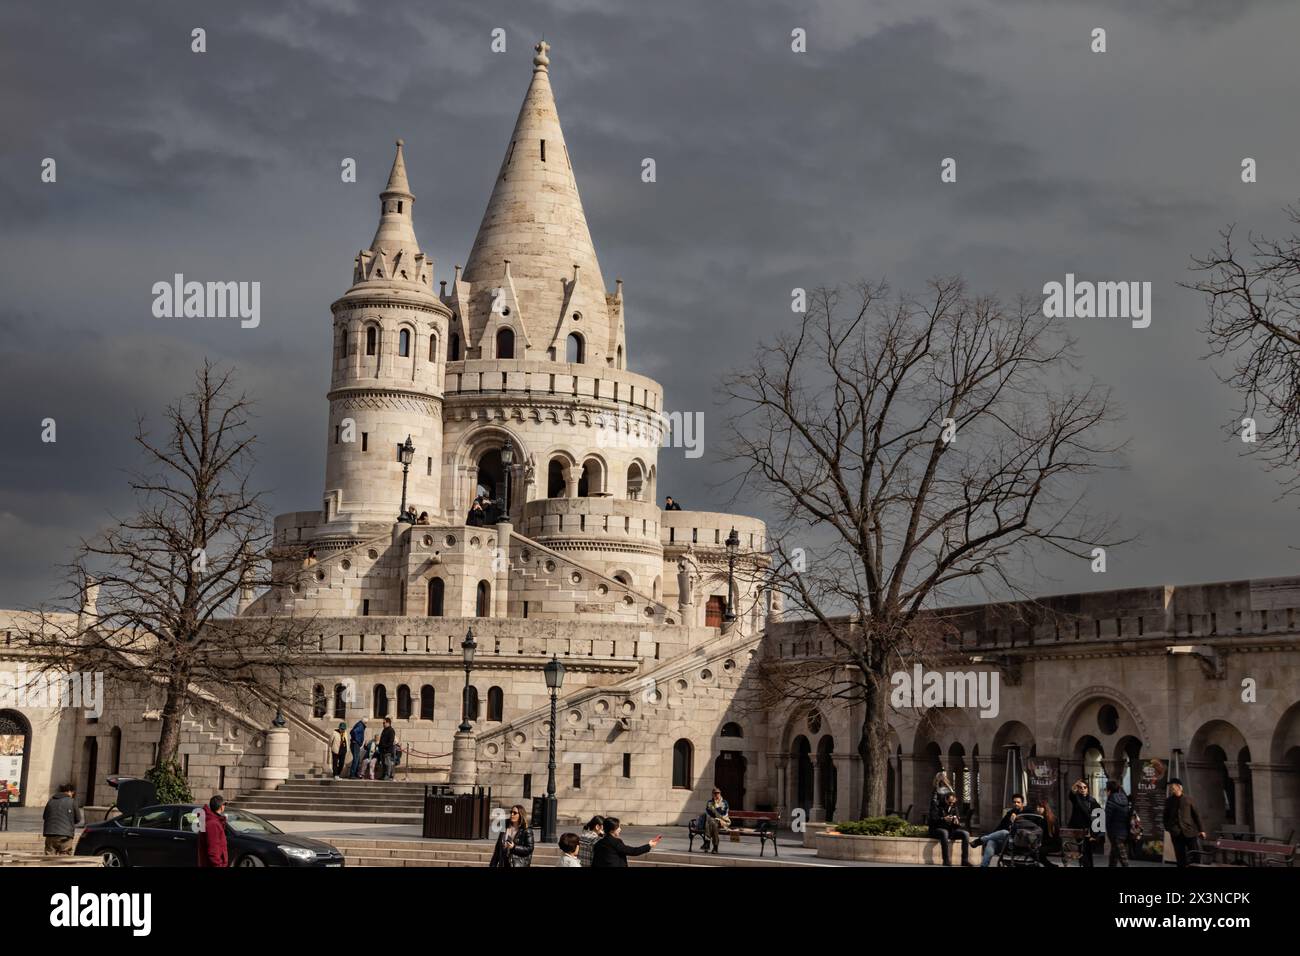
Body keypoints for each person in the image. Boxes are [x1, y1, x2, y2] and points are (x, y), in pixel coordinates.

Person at [926, 771, 973, 866]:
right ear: (945, 799)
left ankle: (964, 860)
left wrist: (956, 821)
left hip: (950, 830)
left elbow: (957, 822)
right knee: (944, 832)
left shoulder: (954, 807)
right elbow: (933, 818)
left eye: (953, 802)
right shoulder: (937, 807)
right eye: (950, 802)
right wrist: (944, 819)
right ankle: (946, 860)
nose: (952, 804)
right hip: (937, 829)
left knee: (965, 834)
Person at [973, 792, 1026, 867]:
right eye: (1014, 802)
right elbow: (999, 828)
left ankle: (981, 840)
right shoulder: (1009, 813)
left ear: (1022, 804)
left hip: (1021, 841)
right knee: (991, 841)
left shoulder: (1027, 813)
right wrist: (993, 836)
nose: (1016, 804)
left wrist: (1016, 819)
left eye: (1018, 802)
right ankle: (984, 865)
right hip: (1007, 843)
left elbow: (1027, 827)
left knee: (1005, 832)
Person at [1162, 778, 1205, 868]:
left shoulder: (1188, 799)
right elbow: (1165, 816)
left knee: (1195, 854)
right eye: (1170, 786)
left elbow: (1196, 815)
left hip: (1190, 831)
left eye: (1172, 786)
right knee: (1180, 856)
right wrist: (1169, 828)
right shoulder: (1169, 801)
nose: (1170, 788)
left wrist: (1202, 830)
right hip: (1176, 832)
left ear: (1179, 787)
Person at [592, 816, 661, 867]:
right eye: (618, 827)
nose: (620, 829)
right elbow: (633, 851)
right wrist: (649, 845)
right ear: (612, 830)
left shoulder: (598, 843)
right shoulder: (616, 842)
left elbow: (595, 861)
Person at [41, 783, 83, 855]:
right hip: (65, 835)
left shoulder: (50, 801)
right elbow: (78, 819)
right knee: (64, 858)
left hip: (50, 834)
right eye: (73, 793)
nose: (73, 794)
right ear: (70, 791)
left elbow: (45, 817)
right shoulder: (72, 801)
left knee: (49, 858)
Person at [1067, 779, 1100, 867]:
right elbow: (1071, 795)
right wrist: (1074, 786)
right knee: (1082, 849)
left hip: (1089, 828)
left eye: (1085, 787)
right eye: (1080, 787)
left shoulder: (1092, 800)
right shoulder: (1076, 798)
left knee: (1088, 850)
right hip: (1079, 828)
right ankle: (1084, 864)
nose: (1083, 789)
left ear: (1087, 788)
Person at [1104, 780, 1131, 867]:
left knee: (1124, 860)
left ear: (1109, 790)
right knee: (1113, 857)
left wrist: (1109, 833)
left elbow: (1107, 819)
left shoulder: (1111, 801)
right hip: (1124, 832)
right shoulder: (1125, 800)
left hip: (1115, 834)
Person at [197, 795, 229, 868]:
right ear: (221, 806)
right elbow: (213, 850)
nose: (225, 807)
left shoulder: (213, 821)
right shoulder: (213, 824)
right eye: (224, 804)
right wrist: (219, 865)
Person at [700, 787, 730, 854]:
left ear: (720, 794)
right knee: (713, 824)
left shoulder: (724, 803)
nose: (716, 795)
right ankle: (715, 847)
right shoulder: (709, 802)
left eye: (718, 793)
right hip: (713, 822)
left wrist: (716, 805)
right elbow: (709, 813)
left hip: (723, 822)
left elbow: (722, 814)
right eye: (715, 793)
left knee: (711, 822)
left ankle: (707, 842)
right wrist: (716, 814)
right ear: (712, 794)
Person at [1034, 799, 1059, 867]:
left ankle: (1050, 866)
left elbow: (1055, 837)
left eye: (1040, 807)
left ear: (1045, 808)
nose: (1038, 809)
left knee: (1037, 852)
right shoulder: (1038, 819)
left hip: (1053, 844)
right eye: (1037, 807)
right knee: (1033, 851)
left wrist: (1041, 843)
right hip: (1044, 844)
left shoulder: (1051, 819)